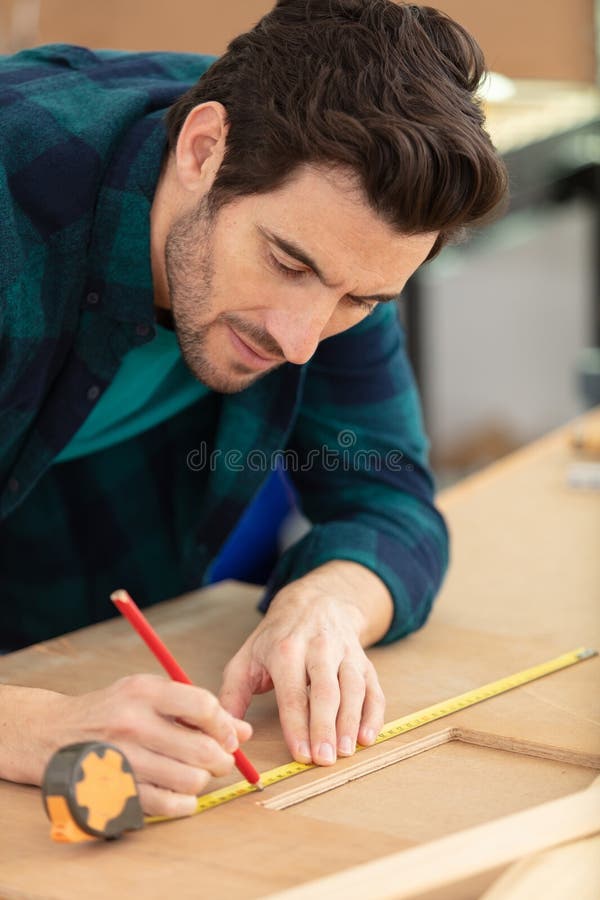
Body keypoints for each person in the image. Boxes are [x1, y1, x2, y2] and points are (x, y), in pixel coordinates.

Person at [0, 0, 507, 816]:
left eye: (362, 299)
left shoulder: (334, 238)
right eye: (287, 263)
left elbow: (387, 498)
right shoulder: (14, 211)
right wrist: (27, 726)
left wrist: (328, 602)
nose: (303, 340)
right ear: (203, 150)